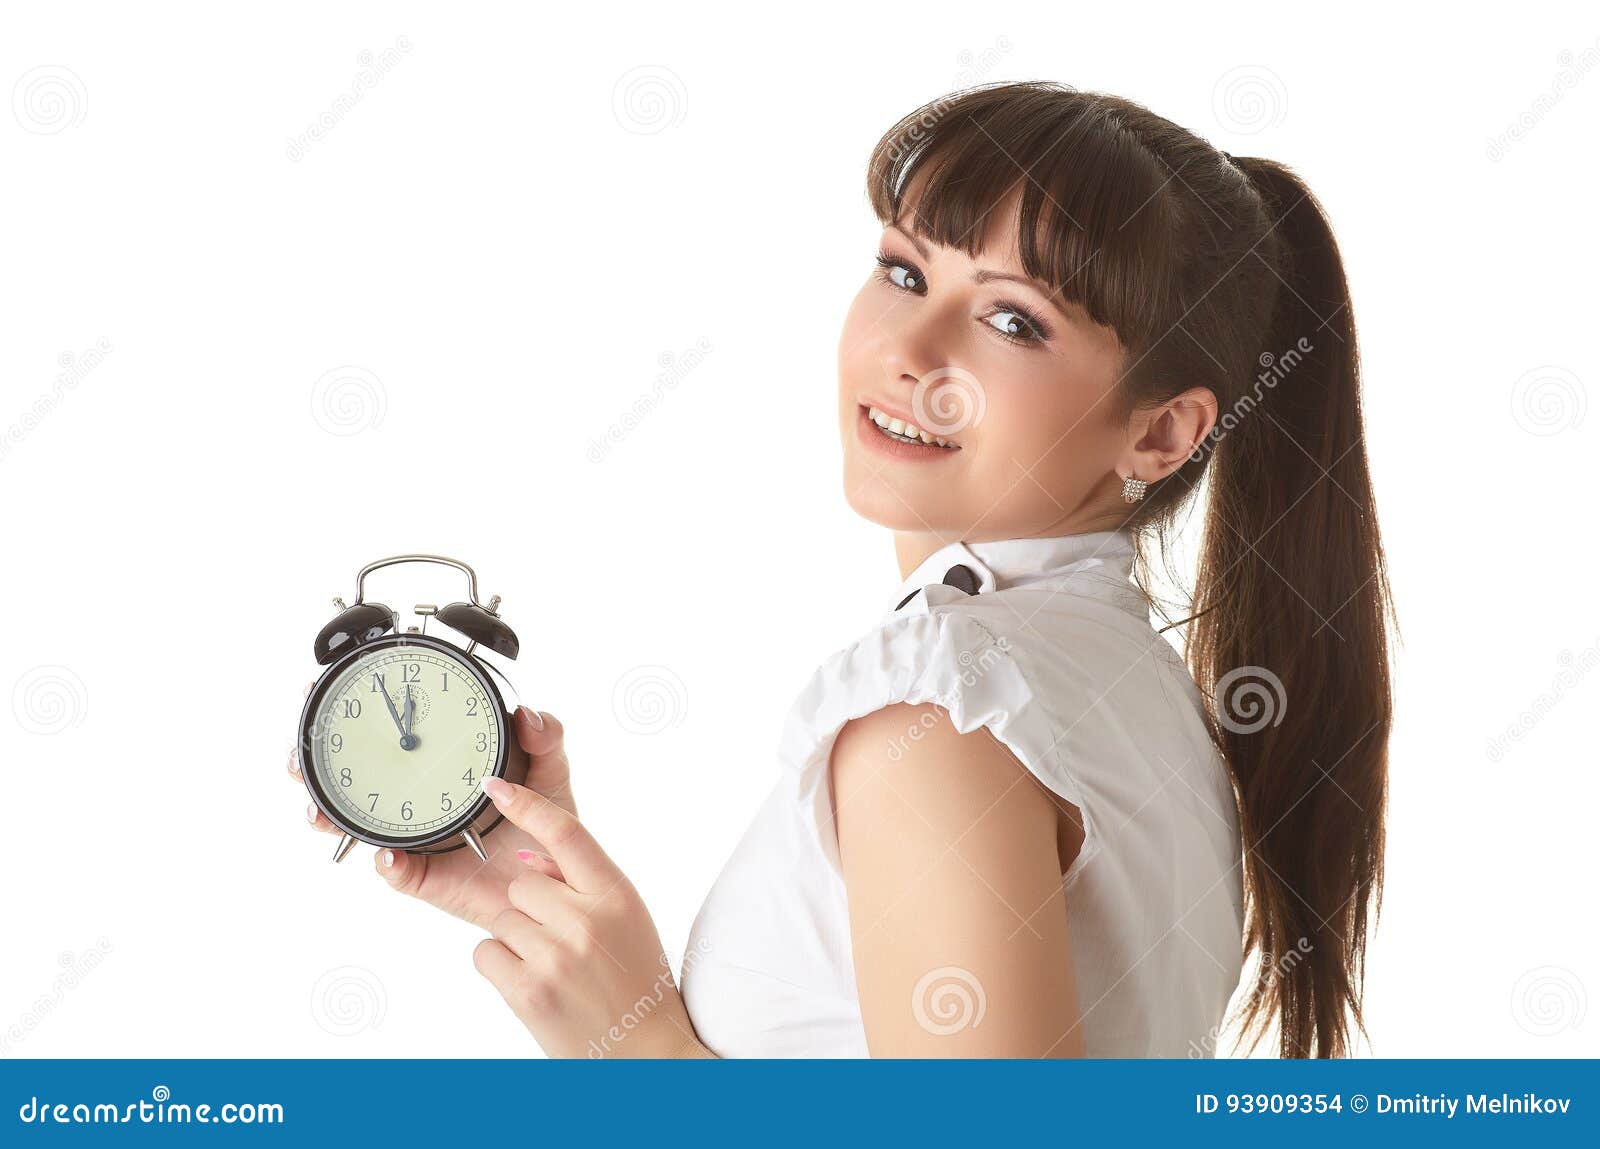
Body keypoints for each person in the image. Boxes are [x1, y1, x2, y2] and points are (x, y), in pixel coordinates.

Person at [292, 80, 1394, 1059]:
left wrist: (635, 1063)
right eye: (905, 271)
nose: (911, 352)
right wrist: (570, 936)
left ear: (1158, 437)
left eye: (1014, 320)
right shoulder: (1127, 689)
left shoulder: (944, 702)